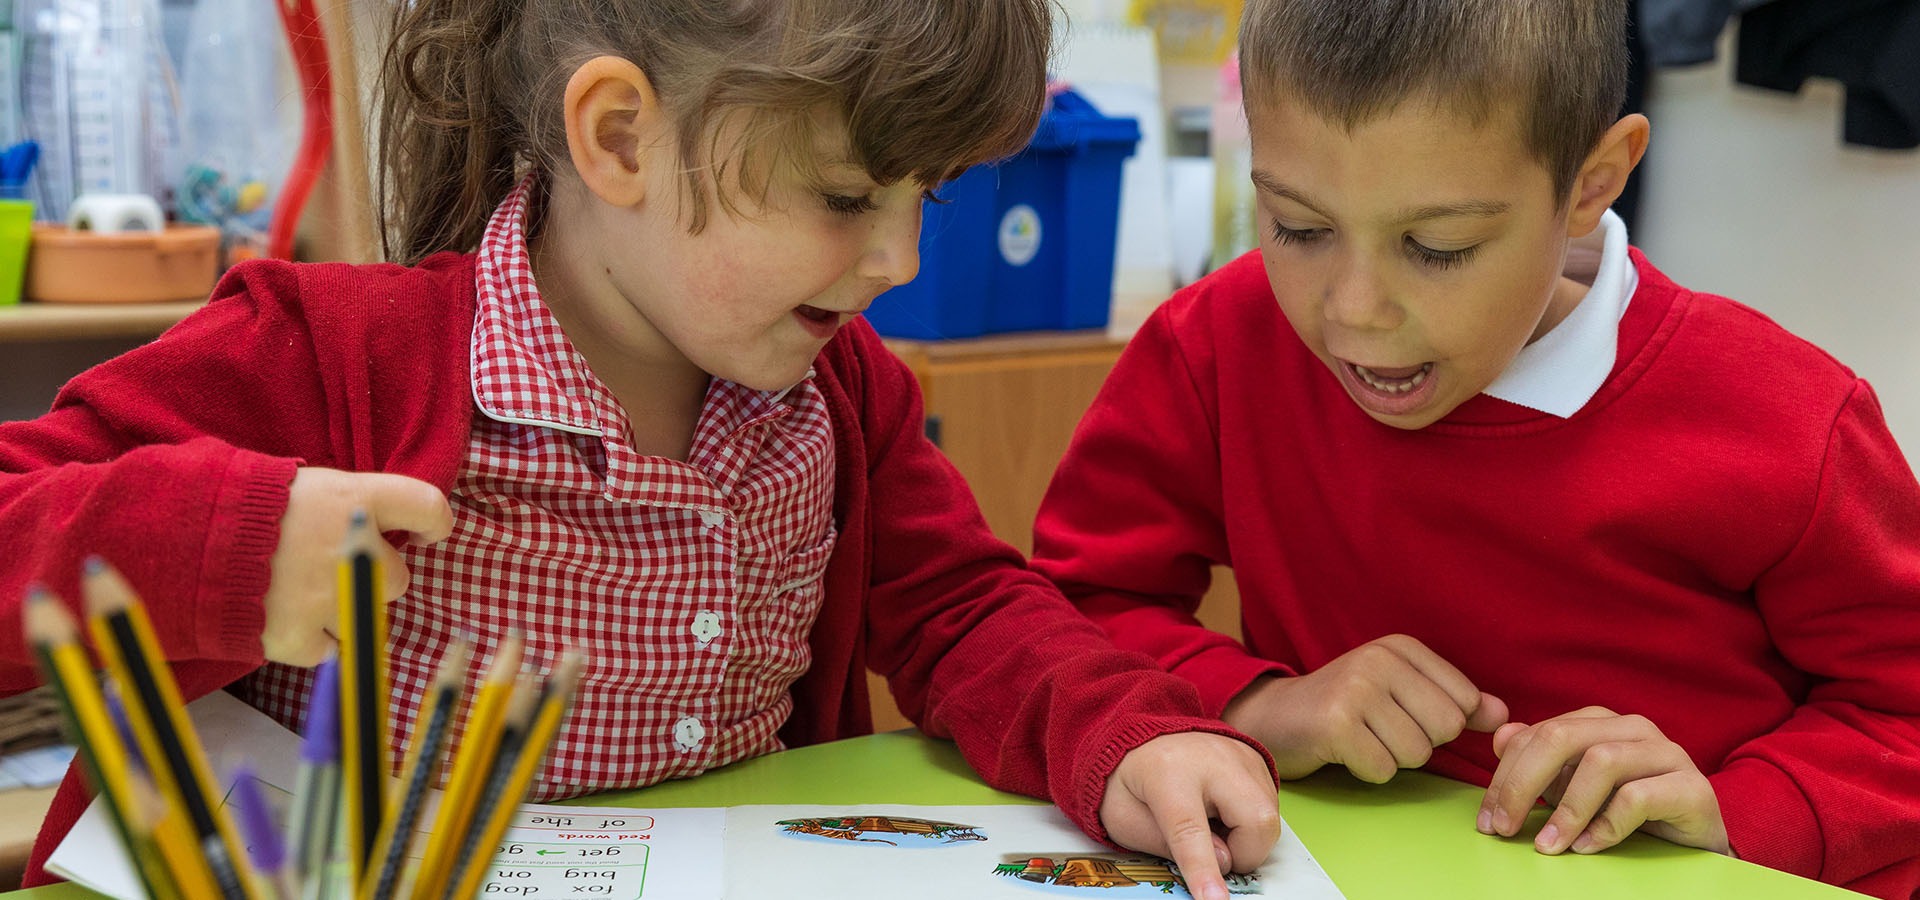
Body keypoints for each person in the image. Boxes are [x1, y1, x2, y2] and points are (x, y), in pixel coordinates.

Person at [0, 1, 1283, 894]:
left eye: (925, 199)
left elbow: (960, 608)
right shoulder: (327, 352)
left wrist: (1131, 731)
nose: (899, 262)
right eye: (846, 199)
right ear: (619, 137)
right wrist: (219, 542)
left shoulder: (840, 394)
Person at [1029, 0, 1920, 896]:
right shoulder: (1217, 345)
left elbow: (1902, 709)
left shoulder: (1784, 413)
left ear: (1591, 183)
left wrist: (1741, 812)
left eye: (1437, 246)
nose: (1353, 309)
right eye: (1299, 227)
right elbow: (1071, 607)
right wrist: (1259, 703)